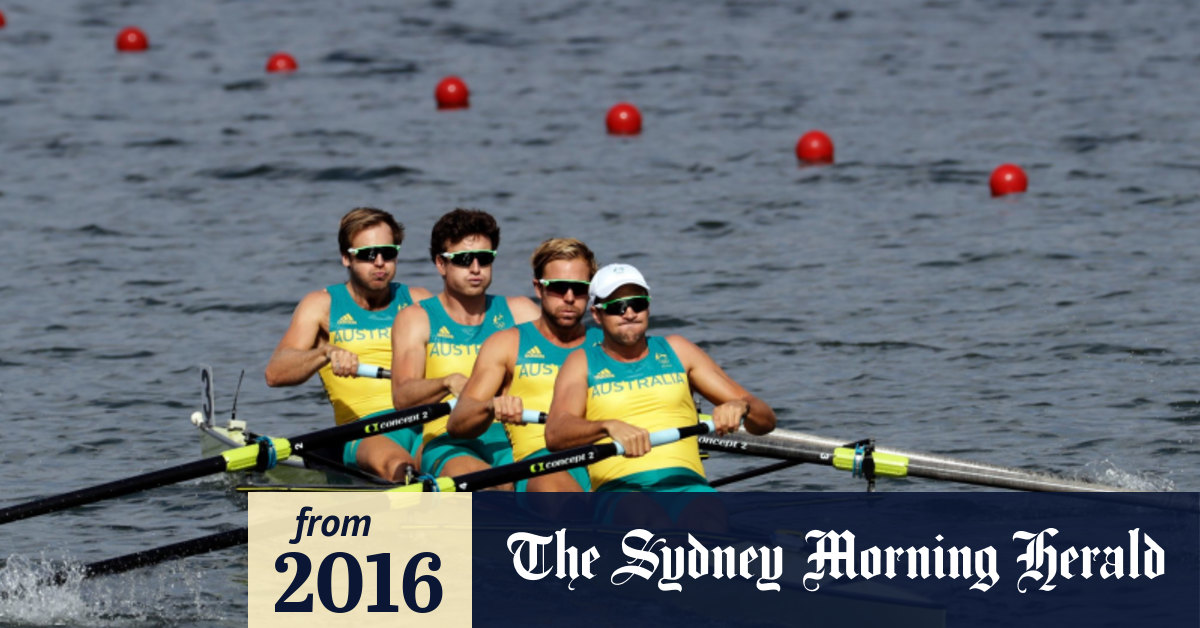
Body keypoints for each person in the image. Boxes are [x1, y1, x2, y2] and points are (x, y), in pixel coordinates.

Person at [545, 263, 776, 492]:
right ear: (597, 314)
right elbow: (556, 433)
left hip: (688, 487)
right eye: (617, 307)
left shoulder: (679, 351)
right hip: (622, 491)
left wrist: (742, 406)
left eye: (638, 304)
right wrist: (607, 427)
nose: (630, 313)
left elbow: (766, 422)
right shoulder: (581, 363)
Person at [265, 207, 432, 481]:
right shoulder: (321, 306)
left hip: (427, 421)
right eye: (367, 255)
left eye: (388, 253)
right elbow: (275, 373)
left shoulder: (418, 300)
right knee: (399, 466)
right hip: (365, 432)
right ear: (346, 258)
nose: (379, 262)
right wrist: (325, 352)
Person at [390, 208, 540, 482]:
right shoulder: (417, 319)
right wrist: (446, 383)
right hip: (449, 439)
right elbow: (402, 396)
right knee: (490, 486)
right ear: (440, 264)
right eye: (463, 260)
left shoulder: (521, 312)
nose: (475, 268)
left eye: (484, 259)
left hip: (511, 439)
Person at [447, 238, 598, 492]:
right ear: (539, 289)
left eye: (580, 288)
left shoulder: (608, 343)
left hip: (607, 461)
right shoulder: (507, 344)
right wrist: (490, 406)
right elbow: (458, 423)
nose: (570, 298)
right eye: (559, 288)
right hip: (544, 467)